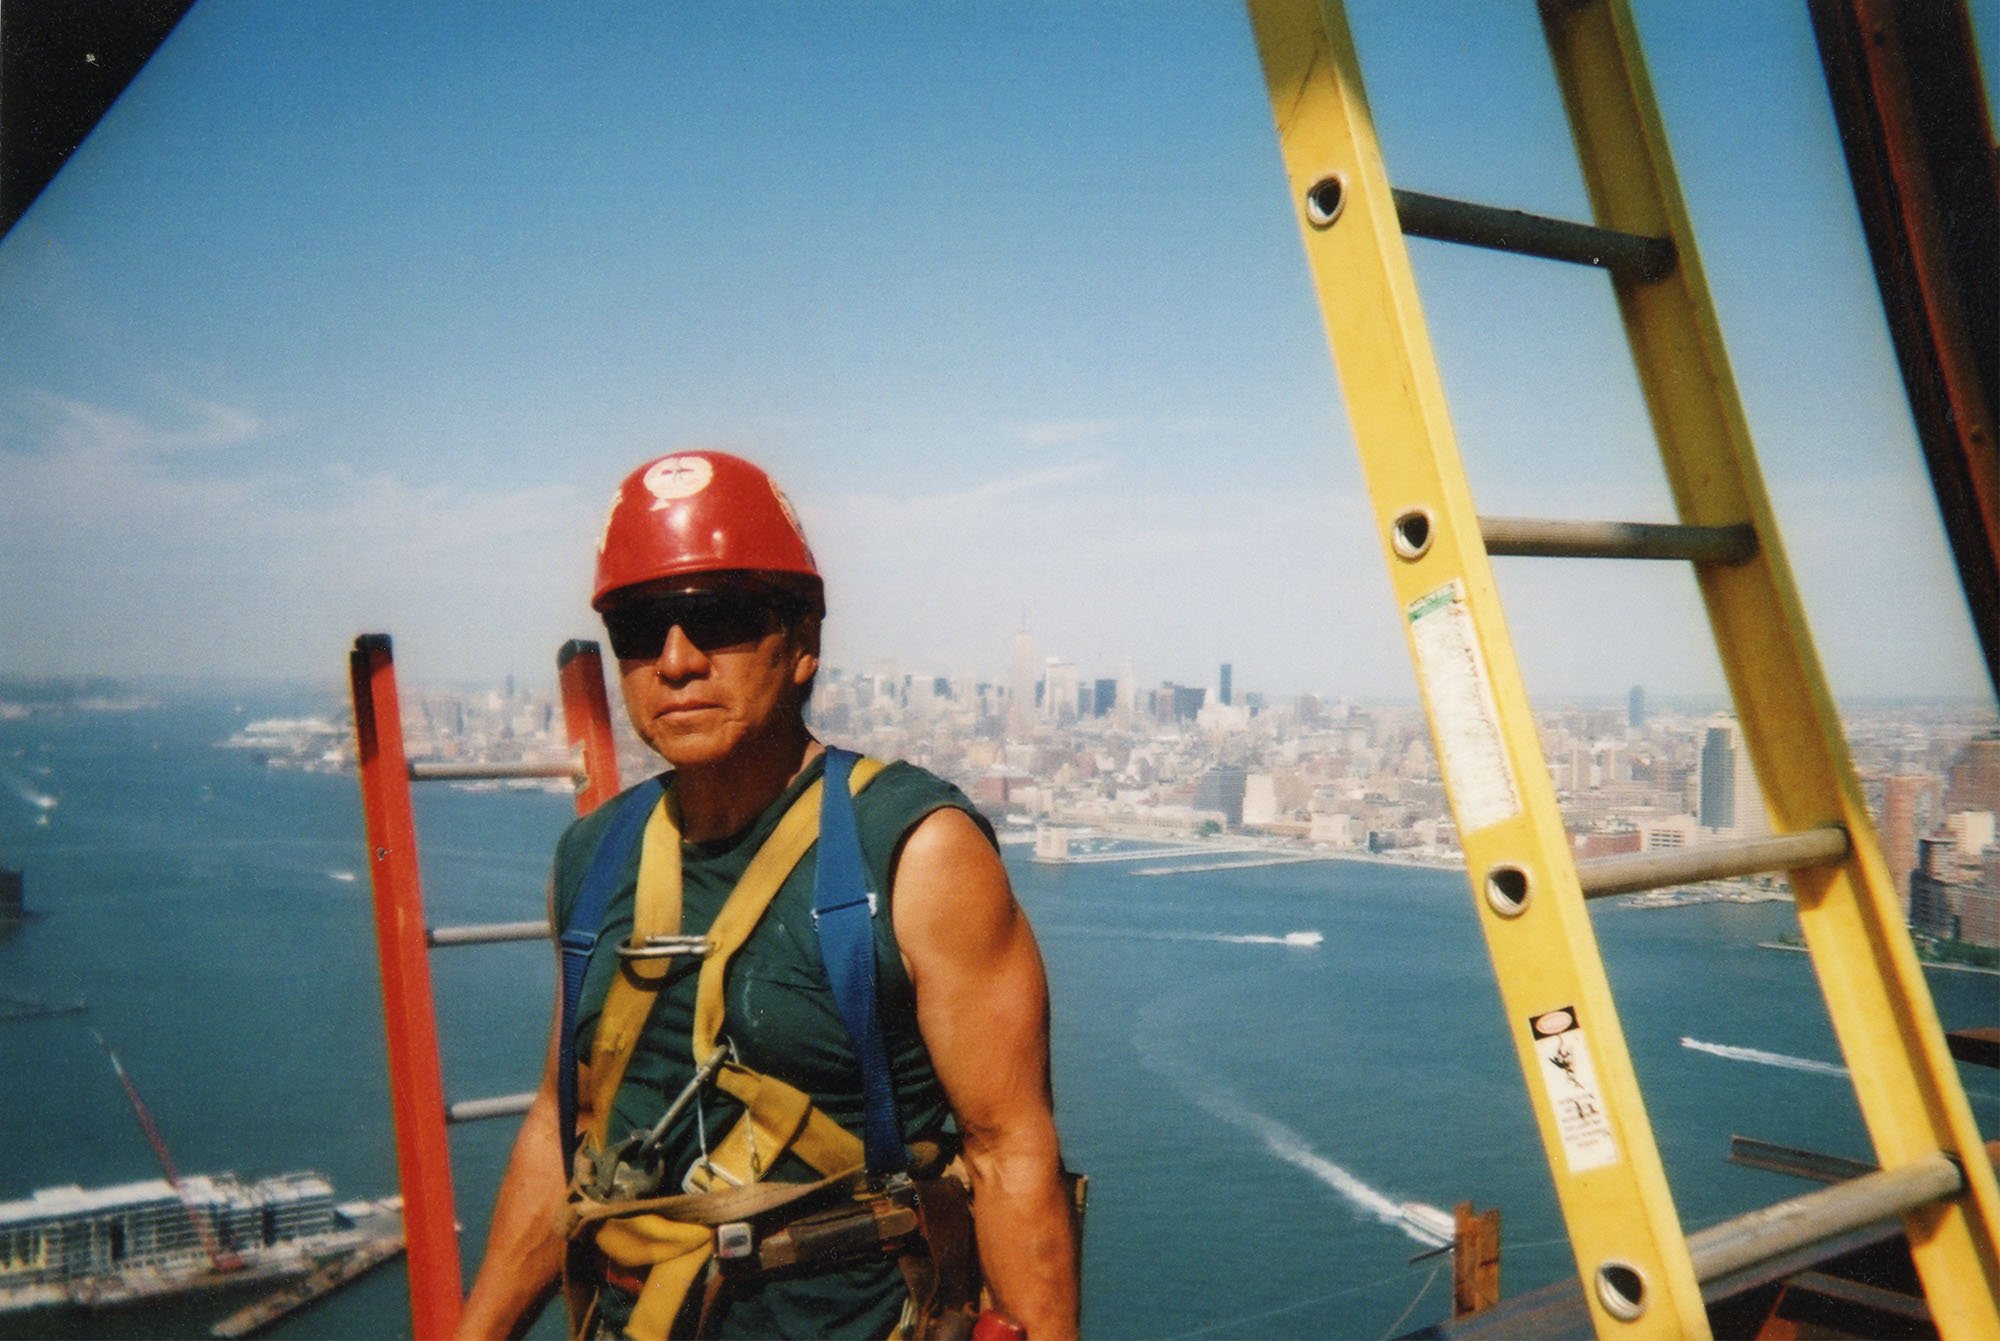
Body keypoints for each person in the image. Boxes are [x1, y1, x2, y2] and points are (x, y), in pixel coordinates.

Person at [455, 450, 1078, 1340]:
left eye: (722, 619)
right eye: (639, 628)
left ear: (802, 643)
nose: (675, 659)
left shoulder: (911, 849)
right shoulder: (594, 857)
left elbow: (1010, 1152)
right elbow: (571, 1123)